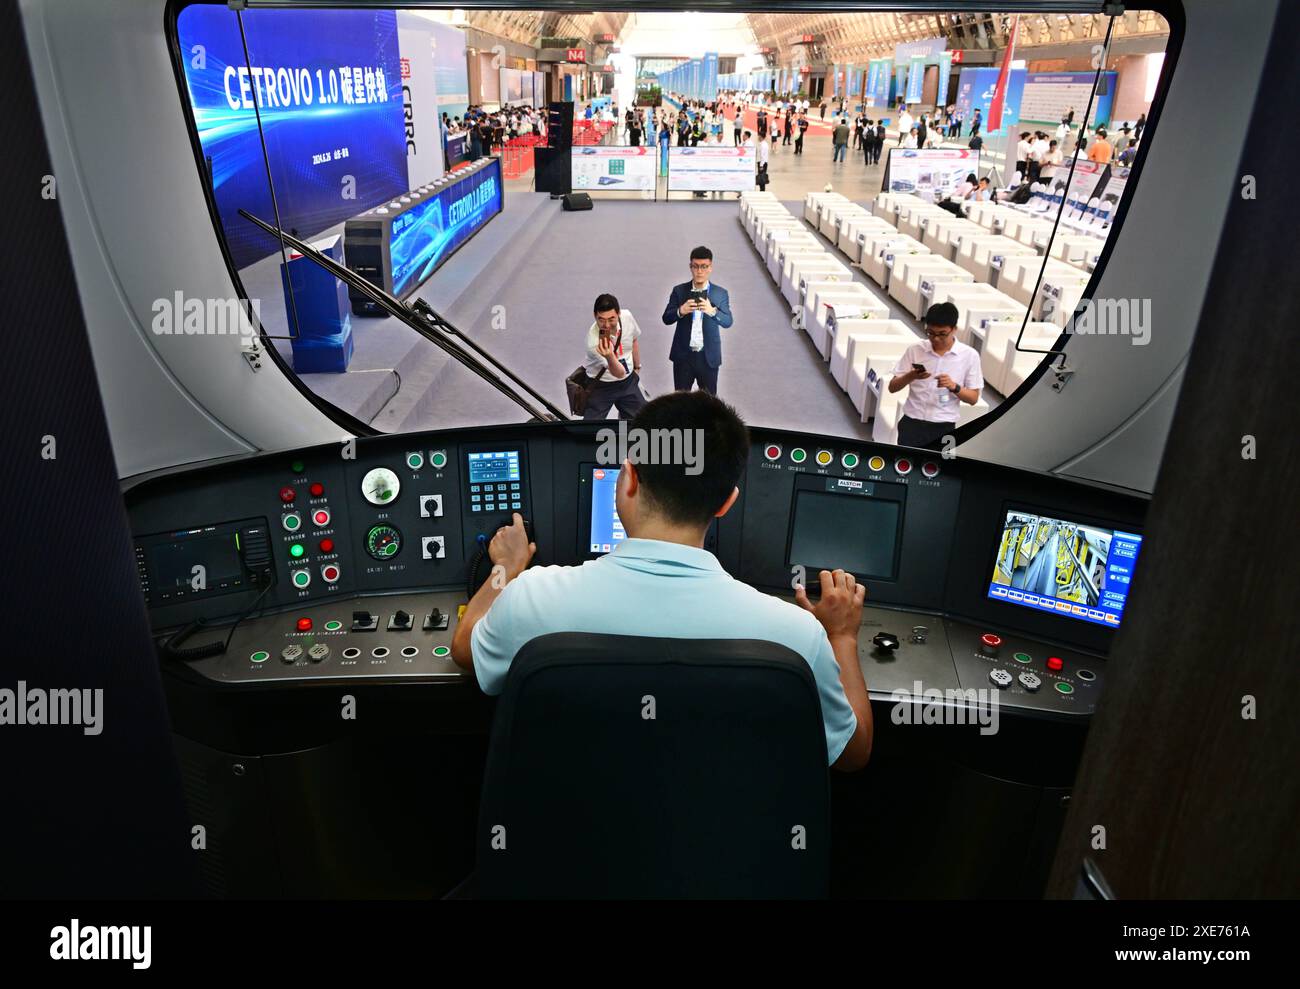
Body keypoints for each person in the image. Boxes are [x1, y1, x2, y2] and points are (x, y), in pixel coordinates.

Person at [450, 390, 873, 773]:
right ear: (727, 502)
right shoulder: (796, 638)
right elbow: (853, 753)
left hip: (571, 845)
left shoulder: (531, 599)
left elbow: (465, 647)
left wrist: (505, 568)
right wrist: (842, 638)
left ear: (629, 479)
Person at [887, 302, 983, 450]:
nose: (936, 338)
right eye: (930, 333)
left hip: (944, 427)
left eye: (942, 334)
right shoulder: (915, 350)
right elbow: (892, 388)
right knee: (904, 469)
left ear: (954, 329)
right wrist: (911, 376)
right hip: (912, 422)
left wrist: (953, 387)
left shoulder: (969, 356)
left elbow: (973, 399)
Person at [661, 246, 733, 396]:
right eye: (696, 266)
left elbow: (728, 321)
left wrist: (712, 311)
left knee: (709, 405)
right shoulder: (679, 291)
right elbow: (666, 318)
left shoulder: (720, 293)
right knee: (680, 404)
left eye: (704, 267)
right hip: (683, 357)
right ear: (690, 267)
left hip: (708, 358)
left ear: (710, 268)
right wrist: (680, 311)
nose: (699, 271)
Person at [579, 293, 647, 421]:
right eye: (601, 320)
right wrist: (610, 355)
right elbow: (618, 373)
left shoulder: (627, 316)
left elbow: (633, 340)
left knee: (644, 421)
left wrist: (637, 368)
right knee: (589, 431)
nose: (607, 325)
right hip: (601, 386)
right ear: (595, 316)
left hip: (627, 382)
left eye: (611, 319)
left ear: (619, 314)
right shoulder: (593, 343)